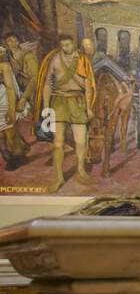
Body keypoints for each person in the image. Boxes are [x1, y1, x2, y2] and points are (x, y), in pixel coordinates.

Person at [36, 33, 96, 191]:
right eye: (63, 45)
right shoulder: (55, 59)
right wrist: (47, 107)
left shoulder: (82, 59)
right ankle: (59, 177)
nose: (66, 48)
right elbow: (48, 83)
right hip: (59, 102)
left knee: (81, 141)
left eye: (68, 45)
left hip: (77, 101)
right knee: (57, 143)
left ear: (73, 44)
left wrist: (89, 107)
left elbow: (88, 86)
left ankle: (81, 169)